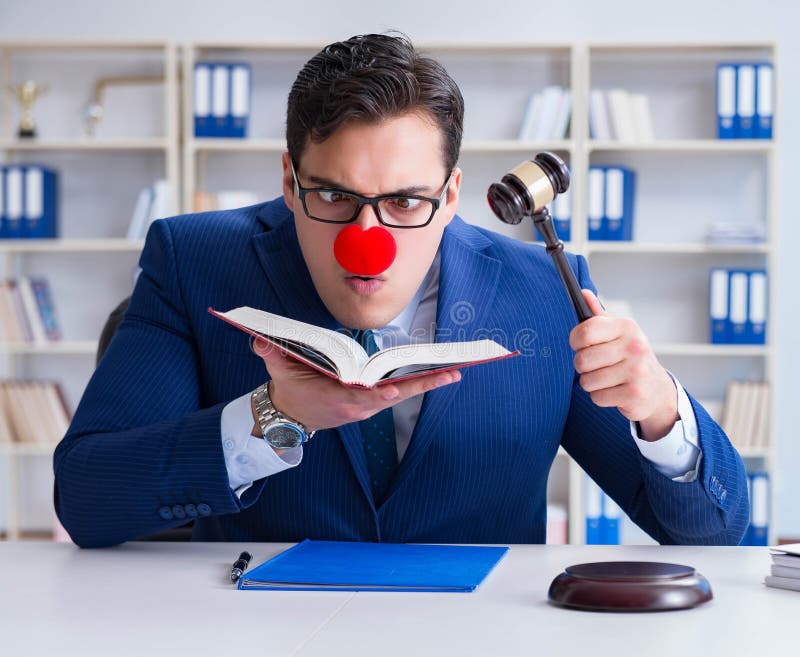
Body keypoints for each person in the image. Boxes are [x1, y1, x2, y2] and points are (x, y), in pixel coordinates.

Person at [54, 33, 748, 548]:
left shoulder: (542, 291)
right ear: (290, 182)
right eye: (333, 193)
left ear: (450, 196)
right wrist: (272, 414)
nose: (368, 238)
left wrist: (659, 407)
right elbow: (85, 497)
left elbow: (713, 534)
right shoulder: (193, 259)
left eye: (407, 201)